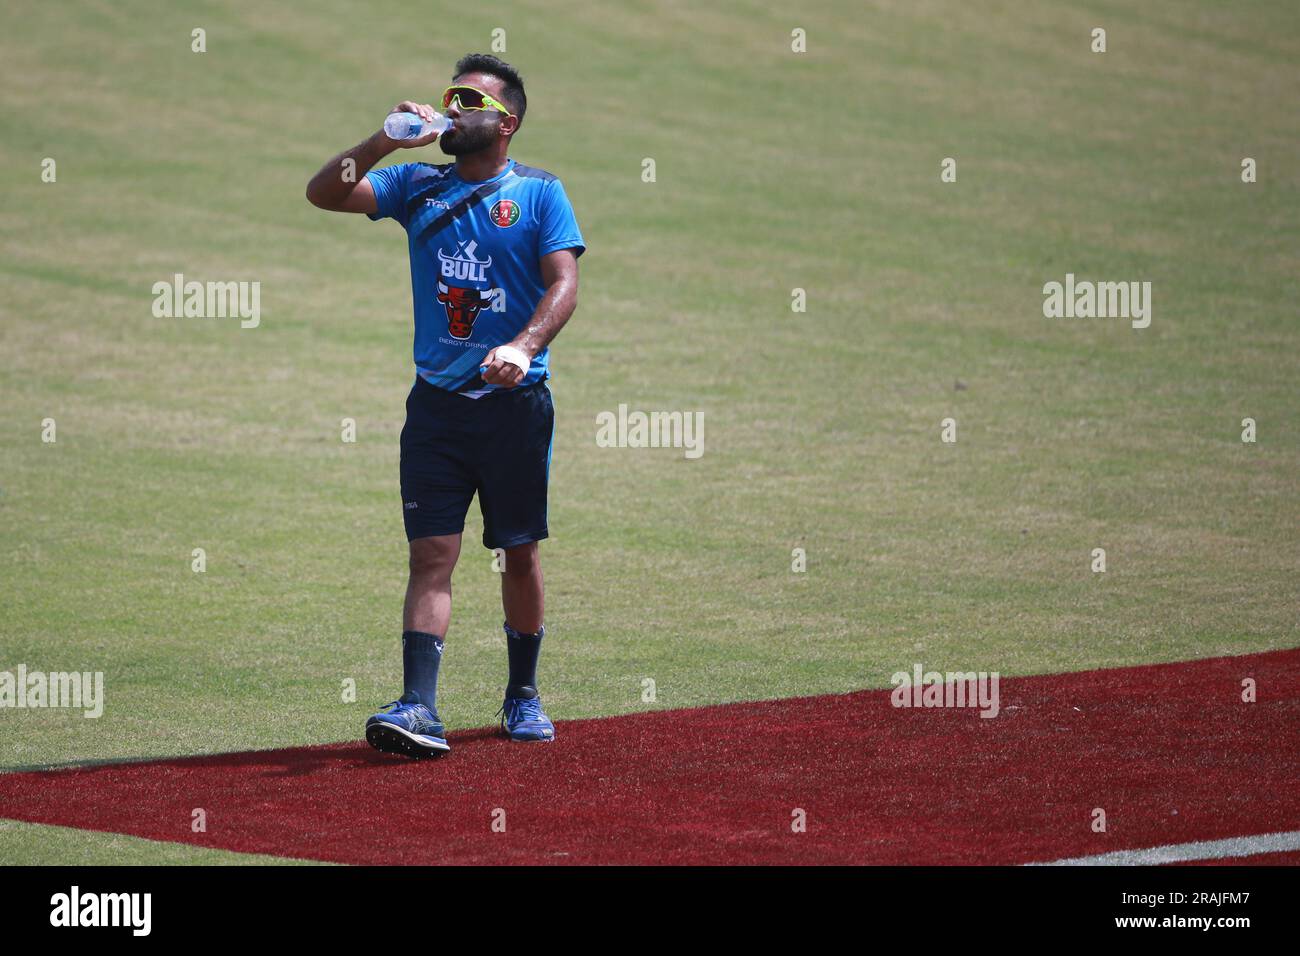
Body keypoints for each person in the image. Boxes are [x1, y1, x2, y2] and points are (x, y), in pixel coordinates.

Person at [306, 53, 585, 755]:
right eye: (449, 98)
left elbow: (565, 284)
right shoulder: (416, 186)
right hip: (435, 409)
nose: (453, 109)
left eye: (470, 99)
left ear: (506, 121)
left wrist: (524, 346)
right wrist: (380, 143)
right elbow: (324, 193)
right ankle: (418, 707)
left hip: (515, 407)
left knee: (518, 552)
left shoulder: (541, 194)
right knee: (431, 553)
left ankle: (523, 696)